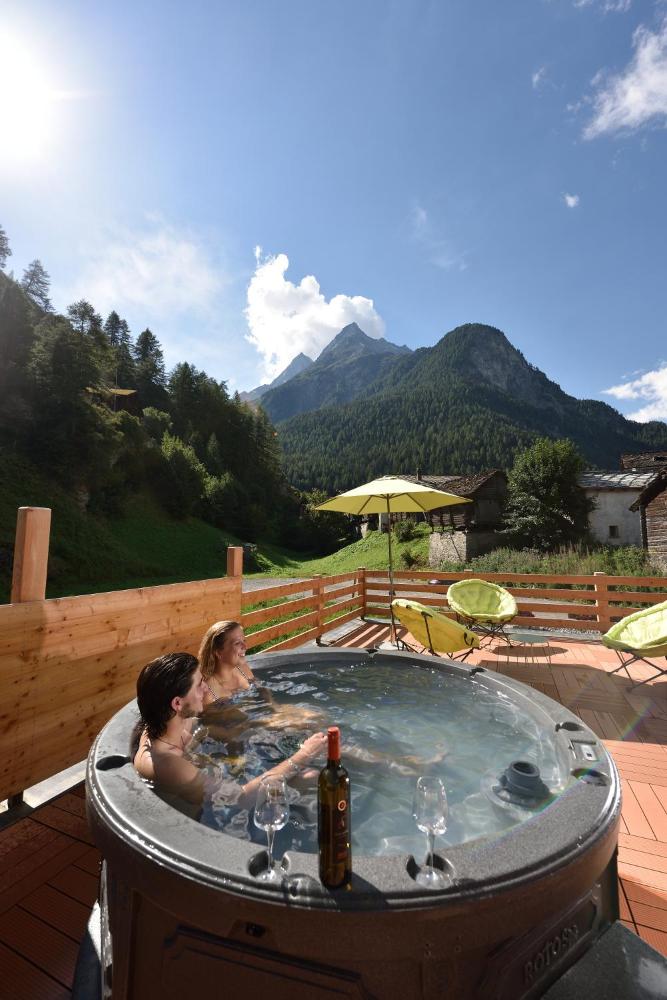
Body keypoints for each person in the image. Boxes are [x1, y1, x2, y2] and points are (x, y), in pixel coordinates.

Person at [132, 651, 327, 811]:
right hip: (207, 823)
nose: (206, 689)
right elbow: (238, 799)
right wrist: (303, 755)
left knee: (305, 759)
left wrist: (266, 723)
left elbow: (209, 728)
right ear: (177, 703)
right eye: (199, 685)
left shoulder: (168, 723)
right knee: (310, 777)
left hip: (213, 777)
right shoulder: (166, 764)